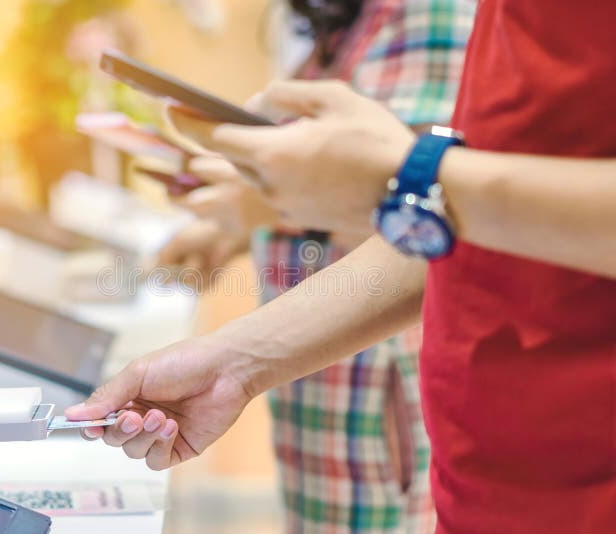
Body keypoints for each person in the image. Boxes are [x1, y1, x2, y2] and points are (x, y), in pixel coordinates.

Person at [67, 1, 616, 532]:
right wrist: (233, 364)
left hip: (600, 484)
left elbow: (432, 205)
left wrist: (405, 179)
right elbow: (450, 228)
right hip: (485, 477)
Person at [157, 1, 475, 532]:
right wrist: (231, 233)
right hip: (316, 361)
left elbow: (422, 217)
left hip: (376, 364)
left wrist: (252, 205)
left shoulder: (428, 13)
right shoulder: (350, 23)